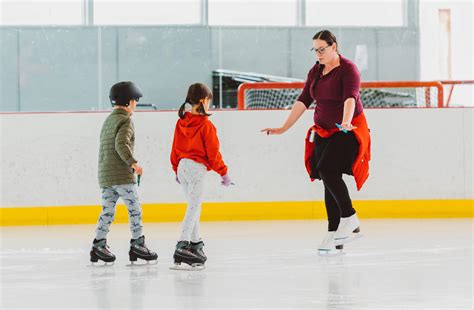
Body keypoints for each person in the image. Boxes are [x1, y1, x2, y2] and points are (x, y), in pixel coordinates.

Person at [262, 30, 371, 256]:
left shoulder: (349, 69)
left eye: (322, 49)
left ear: (334, 47)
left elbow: (351, 97)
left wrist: (345, 122)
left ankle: (350, 218)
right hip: (323, 131)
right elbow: (304, 99)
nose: (318, 53)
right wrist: (284, 127)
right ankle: (335, 233)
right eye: (315, 49)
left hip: (347, 129)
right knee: (326, 178)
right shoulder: (316, 70)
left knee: (327, 170)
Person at [90, 81, 158, 265]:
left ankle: (98, 244)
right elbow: (121, 144)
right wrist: (133, 163)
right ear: (128, 102)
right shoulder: (126, 120)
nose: (136, 104)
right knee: (135, 210)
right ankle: (137, 244)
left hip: (106, 176)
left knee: (107, 212)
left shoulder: (109, 120)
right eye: (135, 101)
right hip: (121, 176)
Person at [170, 83, 232, 268]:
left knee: (193, 206)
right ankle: (182, 244)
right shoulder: (206, 125)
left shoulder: (181, 121)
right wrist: (224, 172)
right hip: (196, 169)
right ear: (203, 101)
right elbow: (213, 154)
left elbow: (174, 148)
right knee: (194, 207)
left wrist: (176, 169)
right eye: (209, 101)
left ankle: (196, 244)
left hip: (182, 167)